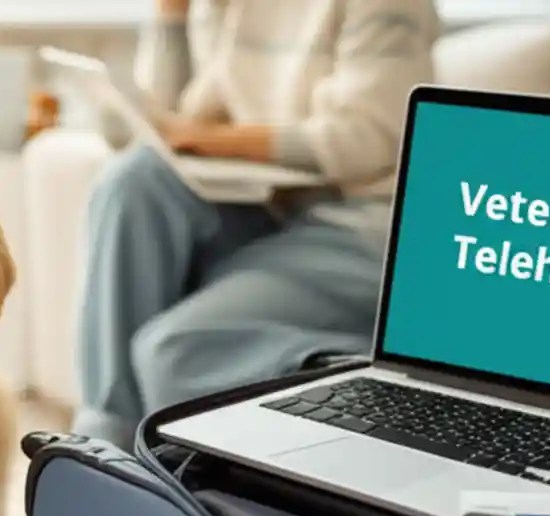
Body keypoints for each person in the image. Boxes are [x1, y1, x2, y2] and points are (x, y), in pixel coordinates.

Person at [72, 0, 442, 449]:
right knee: (133, 179)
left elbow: (367, 138)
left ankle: (356, 381)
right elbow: (166, 125)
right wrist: (172, 18)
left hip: (363, 227)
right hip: (272, 207)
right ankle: (104, 449)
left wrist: (210, 139)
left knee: (171, 351)